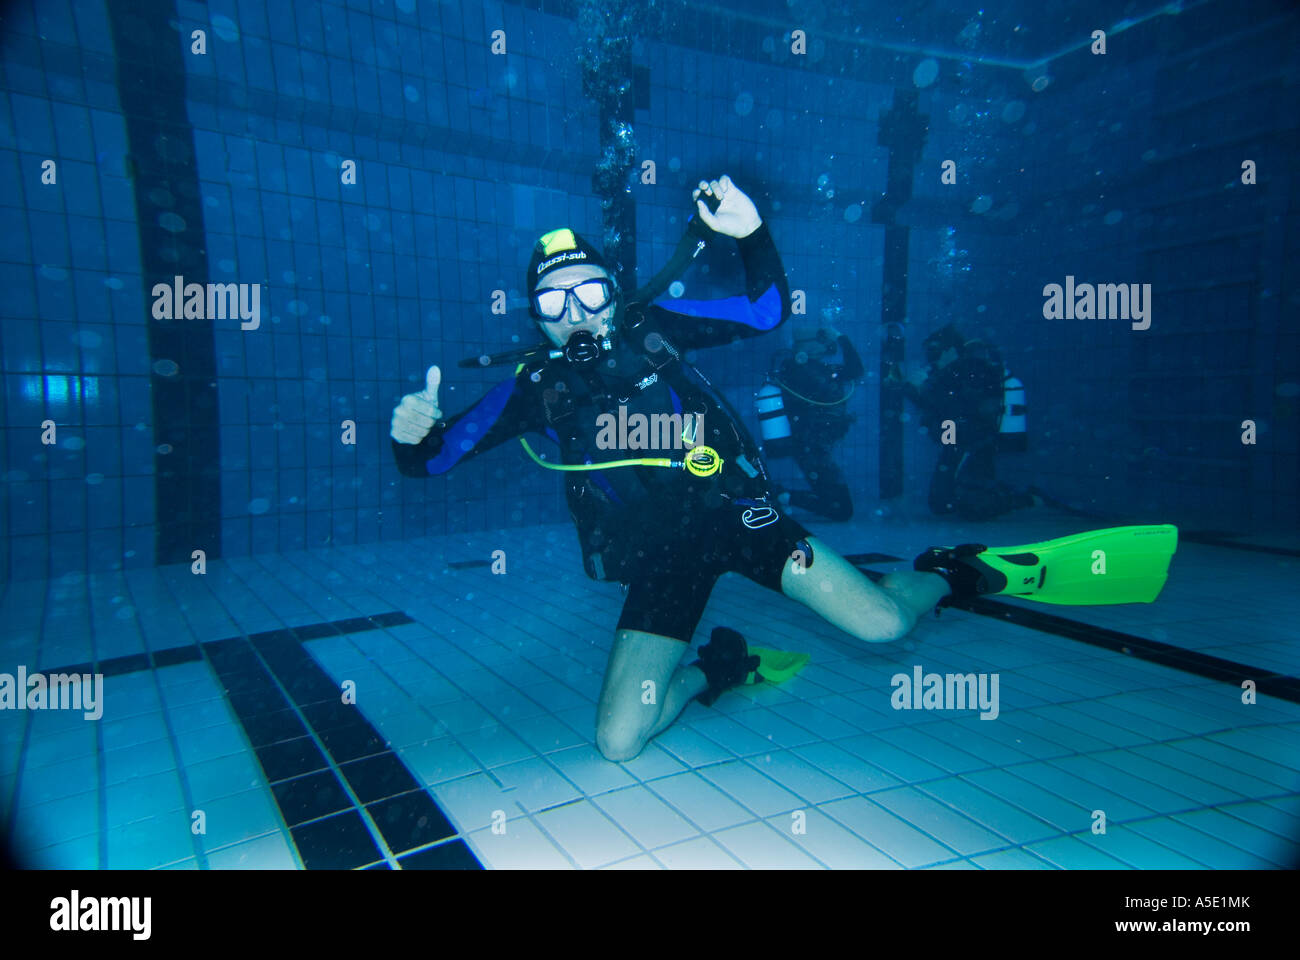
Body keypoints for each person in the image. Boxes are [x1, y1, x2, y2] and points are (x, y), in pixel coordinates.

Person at [389, 175, 954, 762]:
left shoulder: (653, 327)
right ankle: (718, 667)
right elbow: (430, 459)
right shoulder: (537, 389)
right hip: (662, 557)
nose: (575, 313)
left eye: (589, 292)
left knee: (884, 624)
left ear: (614, 293)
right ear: (537, 318)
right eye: (555, 300)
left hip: (738, 515)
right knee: (617, 742)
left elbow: (766, 311)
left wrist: (751, 233)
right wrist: (410, 434)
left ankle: (947, 573)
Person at [890, 323, 1038, 521]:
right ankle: (997, 494)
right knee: (942, 503)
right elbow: (936, 407)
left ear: (951, 350)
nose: (931, 358)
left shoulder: (971, 370)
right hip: (956, 442)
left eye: (935, 351)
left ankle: (1021, 498)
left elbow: (955, 405)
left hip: (975, 444)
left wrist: (920, 387)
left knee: (971, 506)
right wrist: (908, 387)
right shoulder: (948, 373)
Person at [762, 325, 863, 521]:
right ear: (806, 346)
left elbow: (854, 370)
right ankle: (777, 494)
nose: (826, 345)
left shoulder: (807, 368)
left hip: (814, 448)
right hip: (811, 447)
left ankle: (781, 495)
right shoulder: (801, 370)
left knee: (839, 505)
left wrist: (840, 338)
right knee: (841, 510)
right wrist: (841, 338)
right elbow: (854, 370)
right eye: (821, 340)